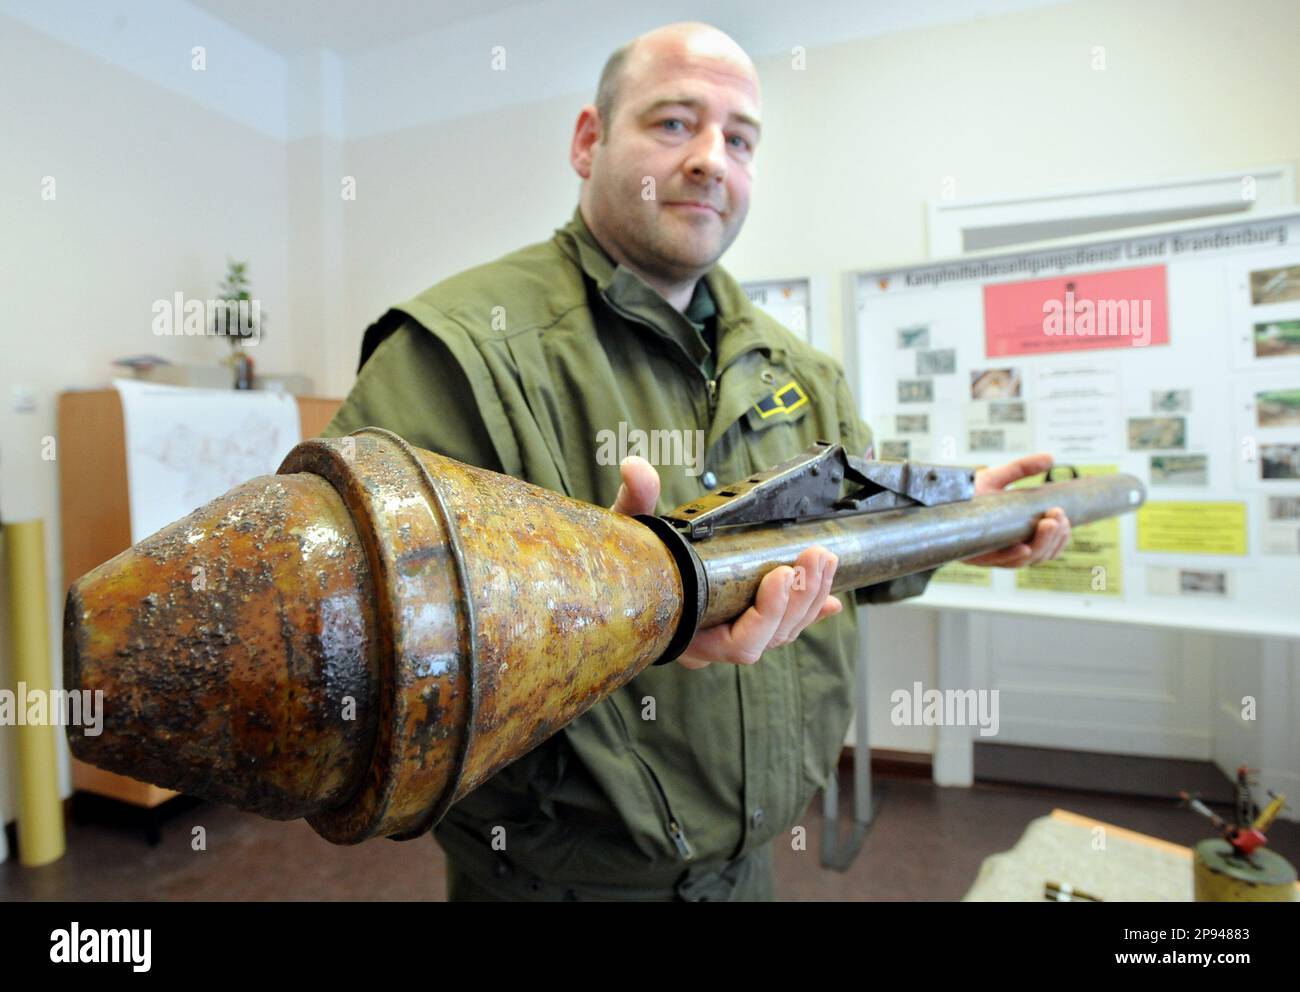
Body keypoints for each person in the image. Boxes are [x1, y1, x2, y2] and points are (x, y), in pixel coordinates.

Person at [320, 21, 1071, 901]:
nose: (712, 159)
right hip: (559, 885)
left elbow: (854, 545)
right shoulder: (457, 354)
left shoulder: (800, 372)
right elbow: (360, 653)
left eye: (739, 139)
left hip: (752, 870)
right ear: (589, 141)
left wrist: (959, 523)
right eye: (675, 123)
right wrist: (610, 609)